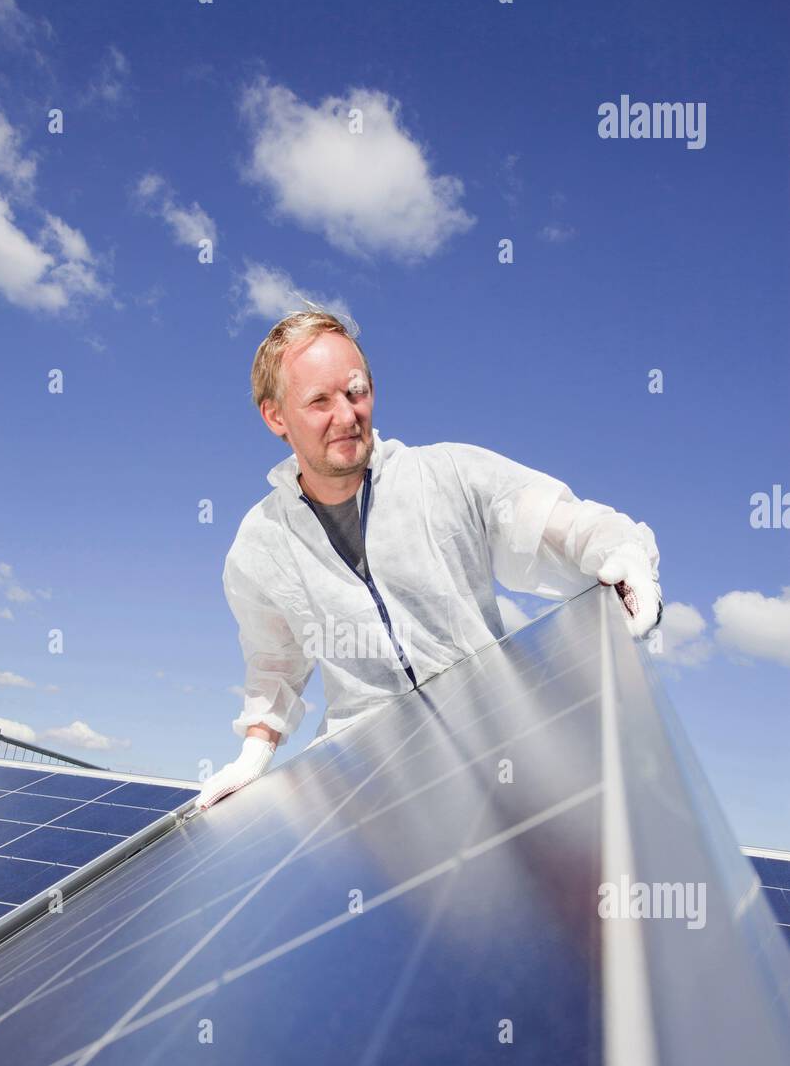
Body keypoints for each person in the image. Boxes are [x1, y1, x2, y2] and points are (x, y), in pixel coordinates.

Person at [196, 311, 662, 811]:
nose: (347, 415)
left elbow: (560, 522)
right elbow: (275, 661)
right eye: (319, 401)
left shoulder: (448, 476)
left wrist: (622, 551)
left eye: (356, 392)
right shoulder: (261, 543)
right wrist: (255, 752)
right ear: (276, 417)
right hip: (371, 786)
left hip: (503, 755)